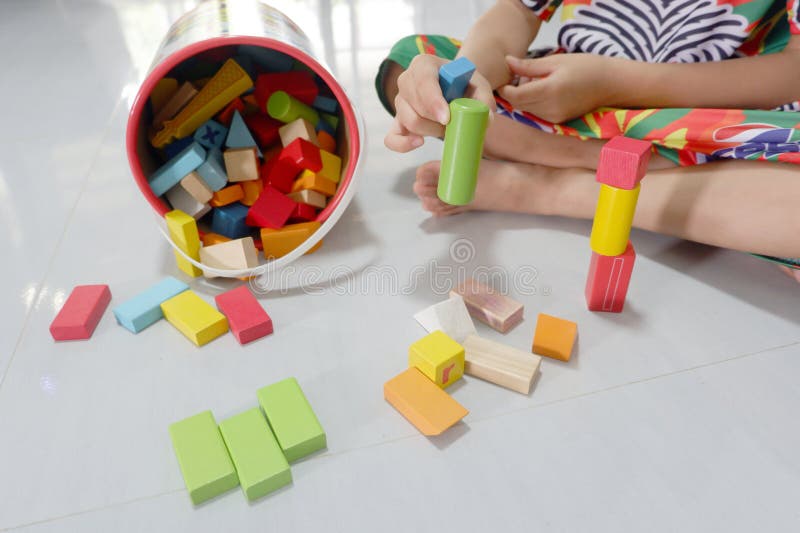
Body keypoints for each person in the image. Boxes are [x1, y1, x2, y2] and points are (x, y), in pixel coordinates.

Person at [377, 0, 800, 278]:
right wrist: (469, 79)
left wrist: (615, 83)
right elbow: (515, 13)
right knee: (407, 63)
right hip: (570, 98)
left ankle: (551, 187)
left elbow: (793, 70)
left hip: (714, 111)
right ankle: (636, 168)